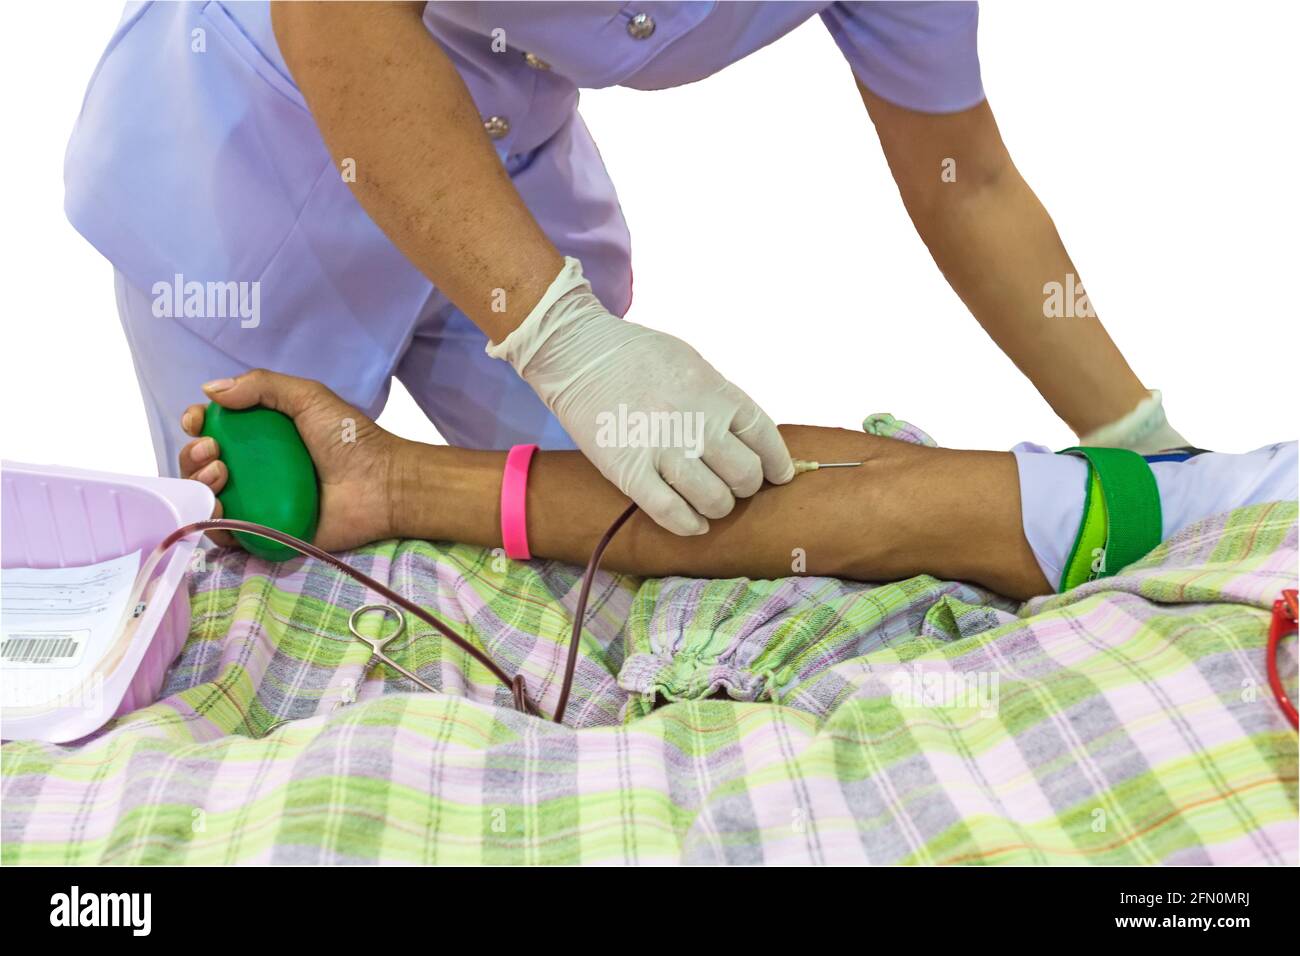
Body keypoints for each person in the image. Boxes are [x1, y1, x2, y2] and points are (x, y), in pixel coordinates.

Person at [68, 1, 1185, 540]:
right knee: (269, 539)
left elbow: (965, 179)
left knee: (628, 517)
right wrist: (562, 336)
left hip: (506, 152)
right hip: (257, 155)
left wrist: (1140, 443)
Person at [177, 371, 1294, 601]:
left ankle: (397, 486)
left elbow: (887, 514)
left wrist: (408, 484)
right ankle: (397, 482)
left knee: (916, 506)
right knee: (931, 489)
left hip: (1208, 501)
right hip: (1215, 488)